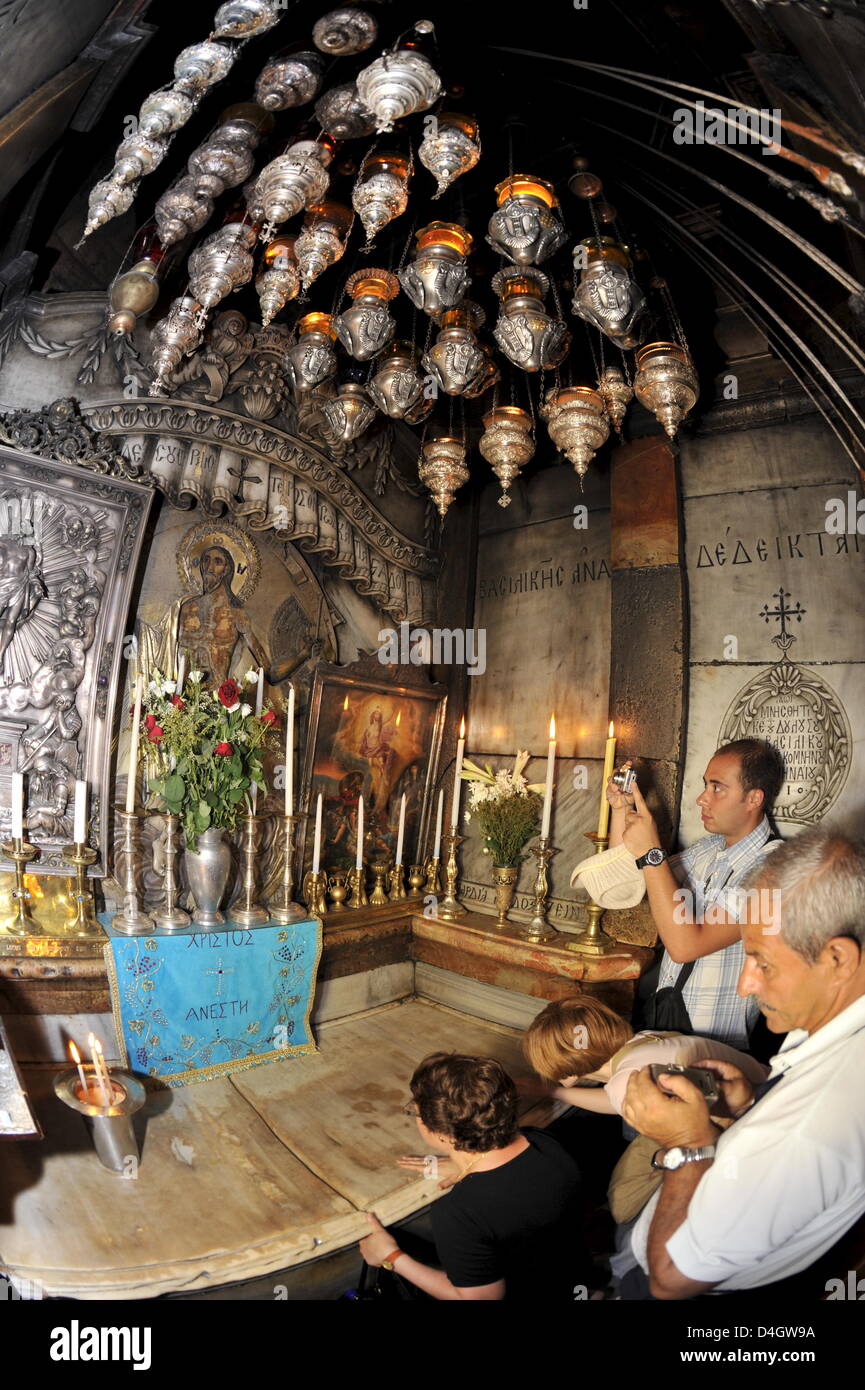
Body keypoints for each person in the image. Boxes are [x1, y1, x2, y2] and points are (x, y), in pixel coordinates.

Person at [618, 826, 865, 1298]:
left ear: (837, 959)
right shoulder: (836, 1027)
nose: (745, 985)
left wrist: (688, 1141)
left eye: (763, 962)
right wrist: (747, 1108)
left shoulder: (803, 1133)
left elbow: (671, 1279)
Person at [358, 1052, 586, 1301]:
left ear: (442, 1134)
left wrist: (390, 1257)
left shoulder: (459, 1212)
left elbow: (478, 1298)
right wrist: (464, 1167)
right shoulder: (543, 1142)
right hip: (570, 1279)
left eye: (417, 1114)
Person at [522, 996, 766, 1224]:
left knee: (623, 1201)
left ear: (568, 1068)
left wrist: (659, 1162)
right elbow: (615, 1100)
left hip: (742, 1148)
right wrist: (550, 1092)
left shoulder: (623, 1083)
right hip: (764, 1094)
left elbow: (683, 1146)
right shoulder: (643, 1042)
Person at [609, 738, 786, 1048]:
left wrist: (652, 851)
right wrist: (621, 809)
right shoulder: (709, 848)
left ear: (754, 798)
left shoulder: (775, 868)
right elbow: (624, 878)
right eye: (705, 785)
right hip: (665, 1025)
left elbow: (685, 946)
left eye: (717, 788)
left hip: (717, 1049)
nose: (702, 799)